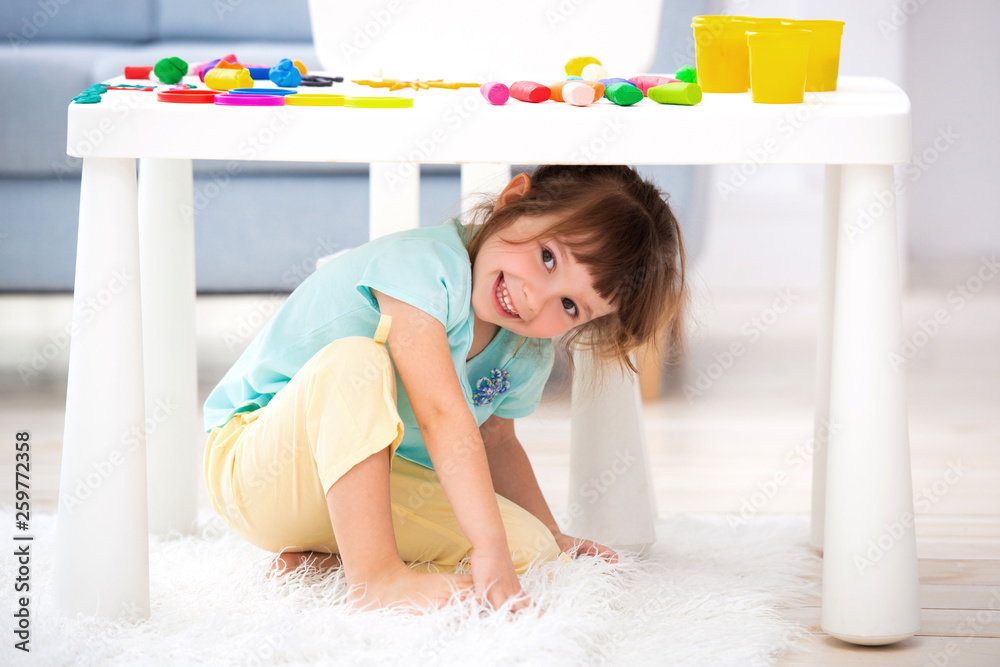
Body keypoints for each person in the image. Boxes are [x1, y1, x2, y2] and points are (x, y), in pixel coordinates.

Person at [202, 164, 688, 615]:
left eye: (569, 306)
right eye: (546, 258)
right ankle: (375, 579)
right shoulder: (423, 266)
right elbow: (440, 414)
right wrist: (487, 546)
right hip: (258, 466)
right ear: (513, 200)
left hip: (362, 491)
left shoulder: (524, 349)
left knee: (529, 548)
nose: (534, 300)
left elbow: (496, 440)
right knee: (356, 361)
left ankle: (324, 560)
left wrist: (551, 534)